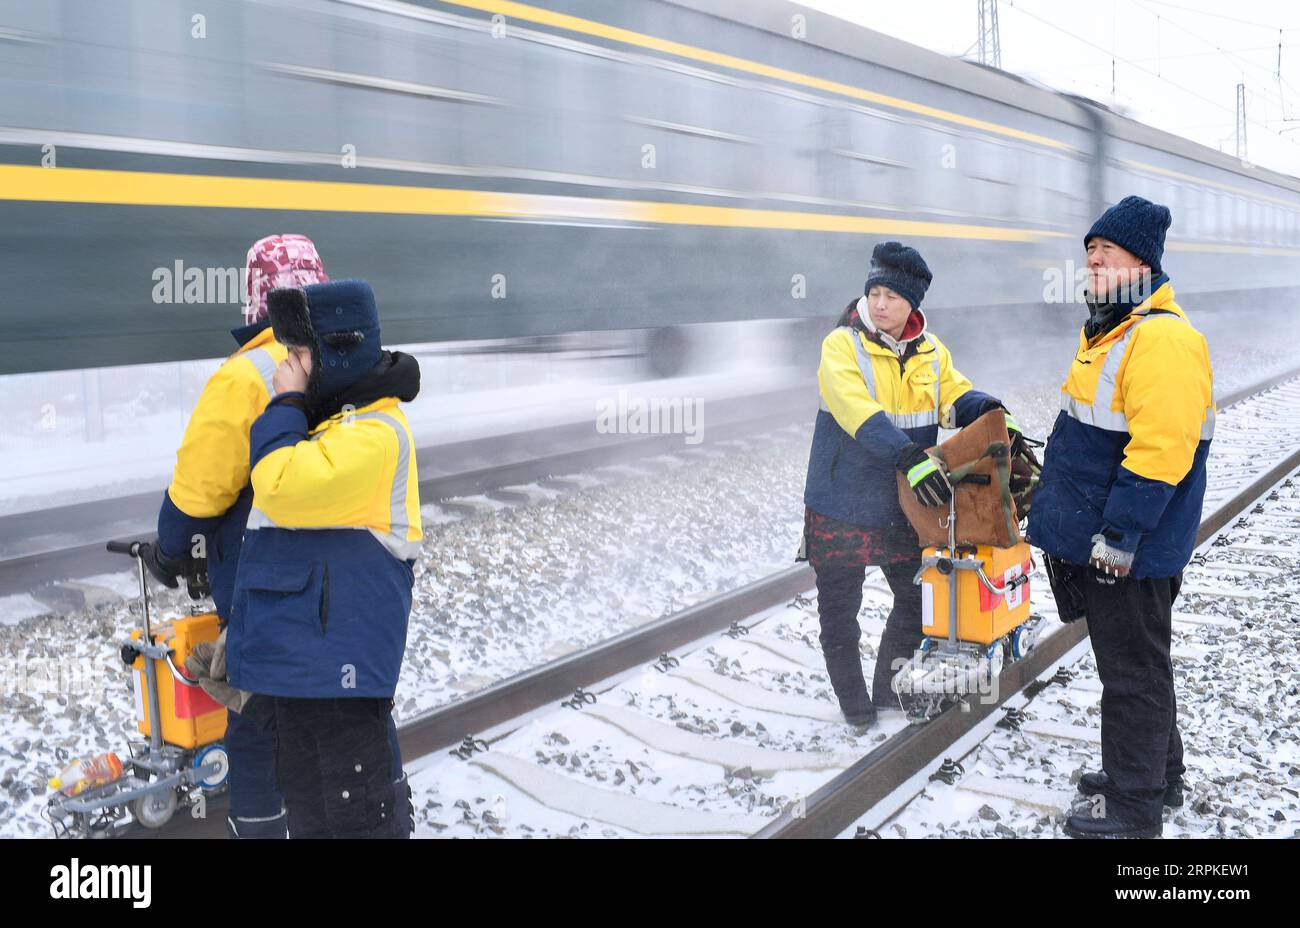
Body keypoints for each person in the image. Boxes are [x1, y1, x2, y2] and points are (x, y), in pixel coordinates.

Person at [1028, 196, 1214, 839]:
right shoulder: (1115, 330)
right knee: (1141, 660)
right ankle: (1158, 775)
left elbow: (1161, 451)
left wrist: (1119, 534)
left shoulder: (1161, 339)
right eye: (1089, 253)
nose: (1093, 261)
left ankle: (1134, 809)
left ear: (1144, 261)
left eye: (1108, 252)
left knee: (1130, 672)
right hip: (1117, 536)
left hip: (1129, 544)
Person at [226, 279, 422, 838]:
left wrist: (284, 403)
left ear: (340, 348)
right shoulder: (336, 426)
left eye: (299, 353)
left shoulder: (373, 435)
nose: (286, 366)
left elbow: (281, 485)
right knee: (313, 818)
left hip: (340, 683)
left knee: (356, 821)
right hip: (306, 677)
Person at [147, 234, 328, 838]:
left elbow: (199, 491)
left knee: (257, 718)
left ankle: (262, 828)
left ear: (255, 299)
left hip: (271, 586)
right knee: (340, 713)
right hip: (351, 580)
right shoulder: (349, 357)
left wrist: (171, 549)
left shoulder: (249, 372)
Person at [801, 241, 1022, 728]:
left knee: (915, 597)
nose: (880, 304)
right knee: (840, 610)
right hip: (841, 501)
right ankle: (855, 709)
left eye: (892, 297)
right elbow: (856, 408)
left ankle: (885, 693)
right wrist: (909, 456)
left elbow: (954, 394)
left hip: (902, 504)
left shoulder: (931, 350)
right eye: (874, 292)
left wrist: (989, 413)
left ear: (913, 305)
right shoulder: (842, 345)